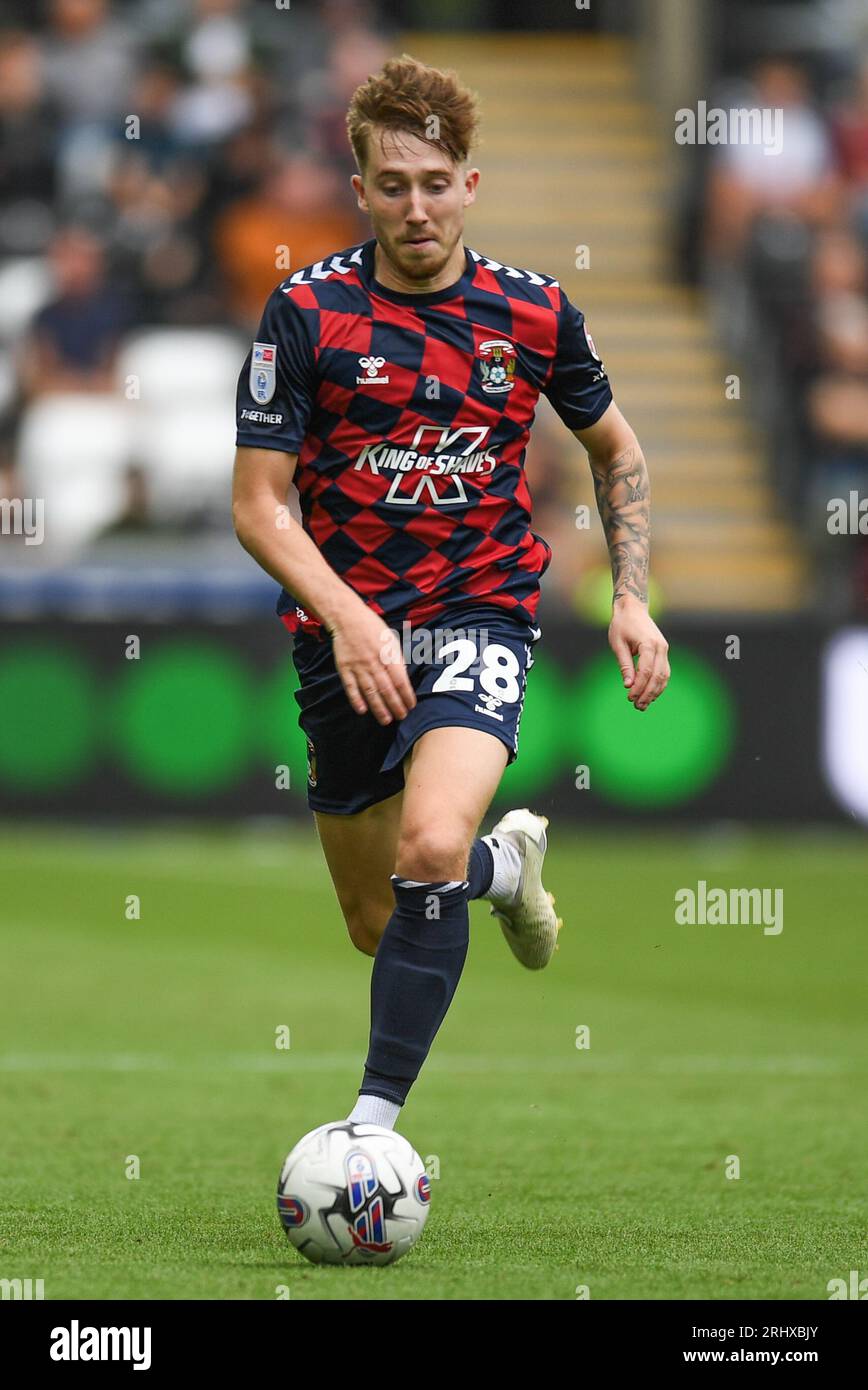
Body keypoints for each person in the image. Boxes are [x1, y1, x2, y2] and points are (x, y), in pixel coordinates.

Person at [232, 54, 670, 1133]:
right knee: (377, 916)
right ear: (362, 189)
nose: (416, 206)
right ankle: (505, 864)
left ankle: (369, 1135)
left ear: (469, 183)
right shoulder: (306, 312)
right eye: (394, 184)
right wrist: (346, 616)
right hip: (348, 634)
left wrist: (629, 597)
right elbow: (257, 503)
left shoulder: (530, 313)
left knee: (426, 849)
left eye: (436, 182)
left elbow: (617, 455)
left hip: (481, 612)